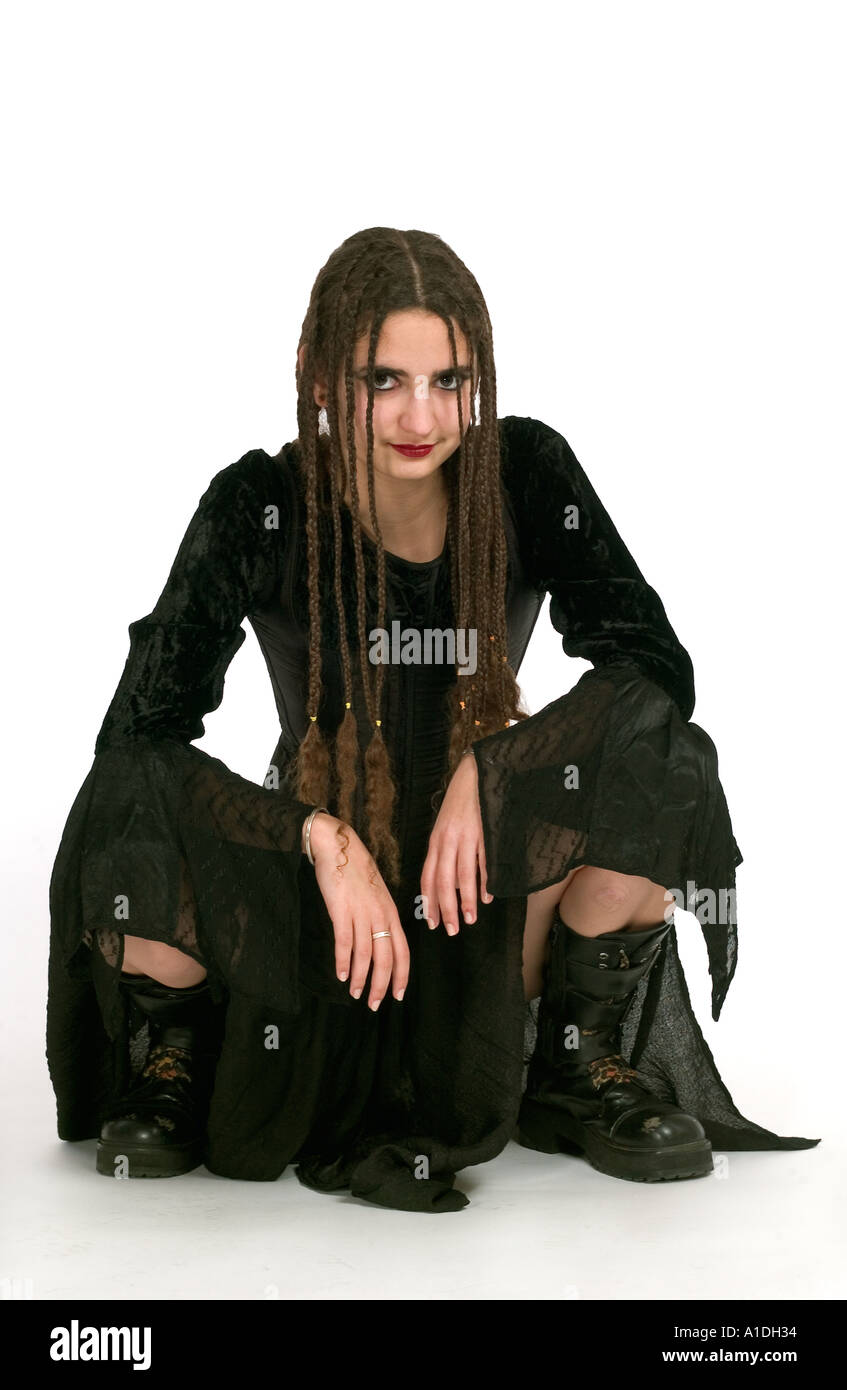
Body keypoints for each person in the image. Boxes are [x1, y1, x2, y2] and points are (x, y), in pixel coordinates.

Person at [46, 227, 818, 1213]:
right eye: (384, 379)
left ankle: (575, 1063)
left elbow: (649, 664)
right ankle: (183, 1059)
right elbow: (140, 732)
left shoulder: (527, 471)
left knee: (661, 749)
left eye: (450, 380)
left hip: (485, 898)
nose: (423, 414)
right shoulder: (262, 502)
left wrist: (496, 770)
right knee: (129, 796)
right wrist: (315, 837)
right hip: (324, 914)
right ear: (320, 375)